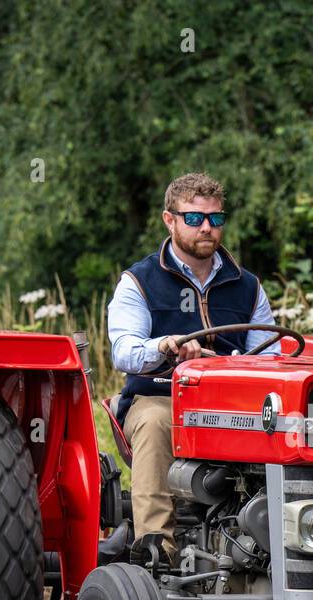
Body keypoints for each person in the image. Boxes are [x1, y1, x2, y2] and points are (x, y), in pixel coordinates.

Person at [106, 172, 279, 564]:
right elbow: (124, 352)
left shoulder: (247, 286)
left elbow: (270, 360)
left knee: (286, 424)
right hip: (162, 398)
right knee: (154, 423)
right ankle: (156, 551)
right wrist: (165, 347)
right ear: (170, 220)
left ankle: (279, 542)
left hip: (233, 407)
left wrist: (223, 363)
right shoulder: (139, 281)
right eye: (195, 218)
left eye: (216, 219)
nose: (207, 228)